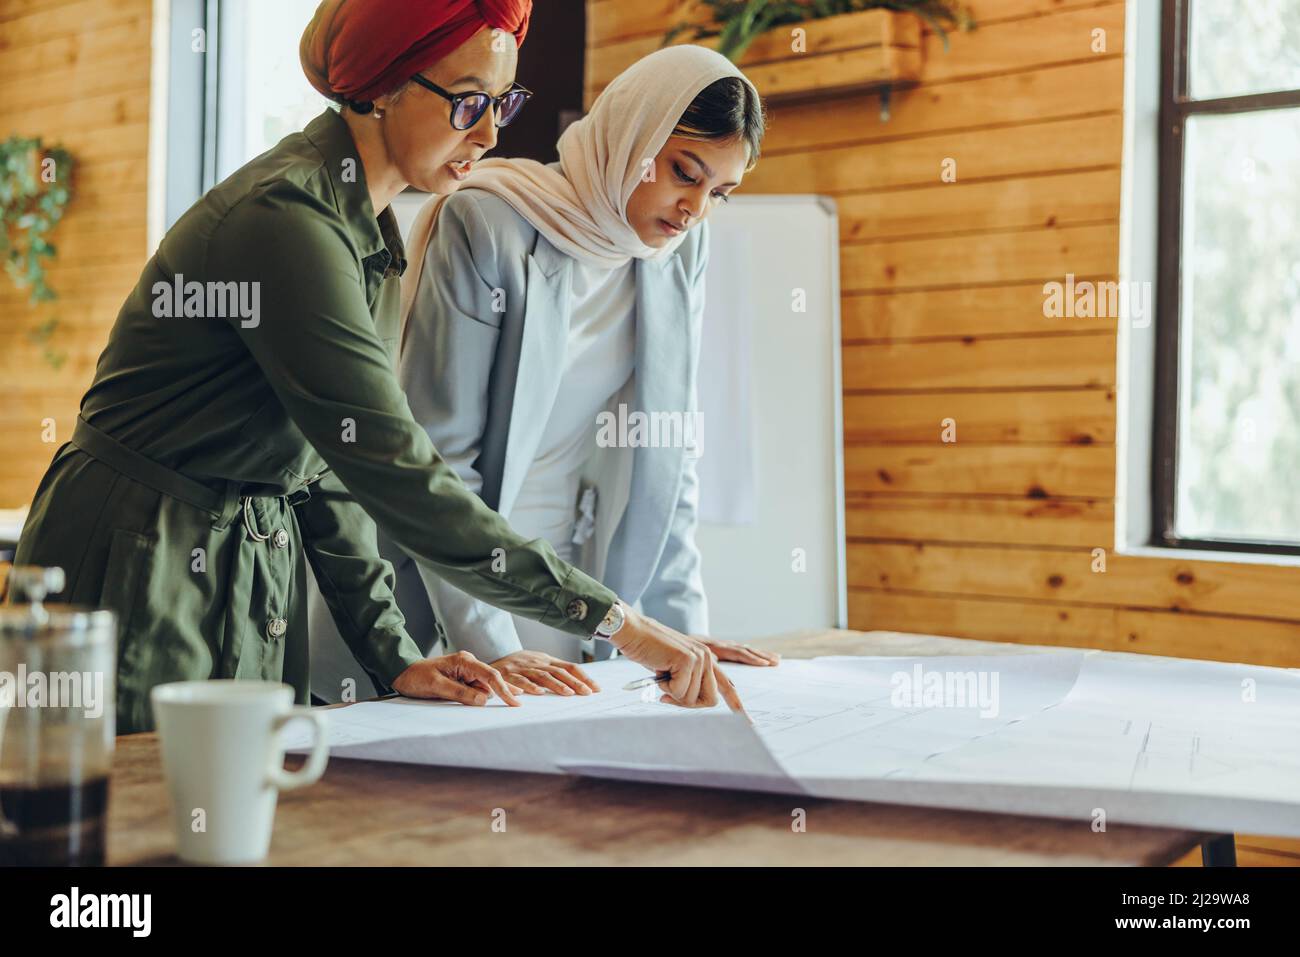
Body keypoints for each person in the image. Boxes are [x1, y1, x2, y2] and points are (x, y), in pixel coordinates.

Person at [11, 0, 742, 734]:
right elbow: (401, 475)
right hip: (138, 550)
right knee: (123, 819)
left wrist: (393, 655)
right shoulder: (287, 220)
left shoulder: (370, 232)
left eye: (501, 104)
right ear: (387, 85)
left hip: (250, 562)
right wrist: (616, 620)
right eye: (468, 103)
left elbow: (331, 471)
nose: (489, 133)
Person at [308, 46, 779, 702]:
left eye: (718, 193)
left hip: (577, 590)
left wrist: (682, 640)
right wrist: (496, 647)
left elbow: (670, 454)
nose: (694, 208)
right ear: (634, 136)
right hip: (449, 582)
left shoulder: (676, 250)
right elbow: (441, 465)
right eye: (684, 172)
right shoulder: (489, 222)